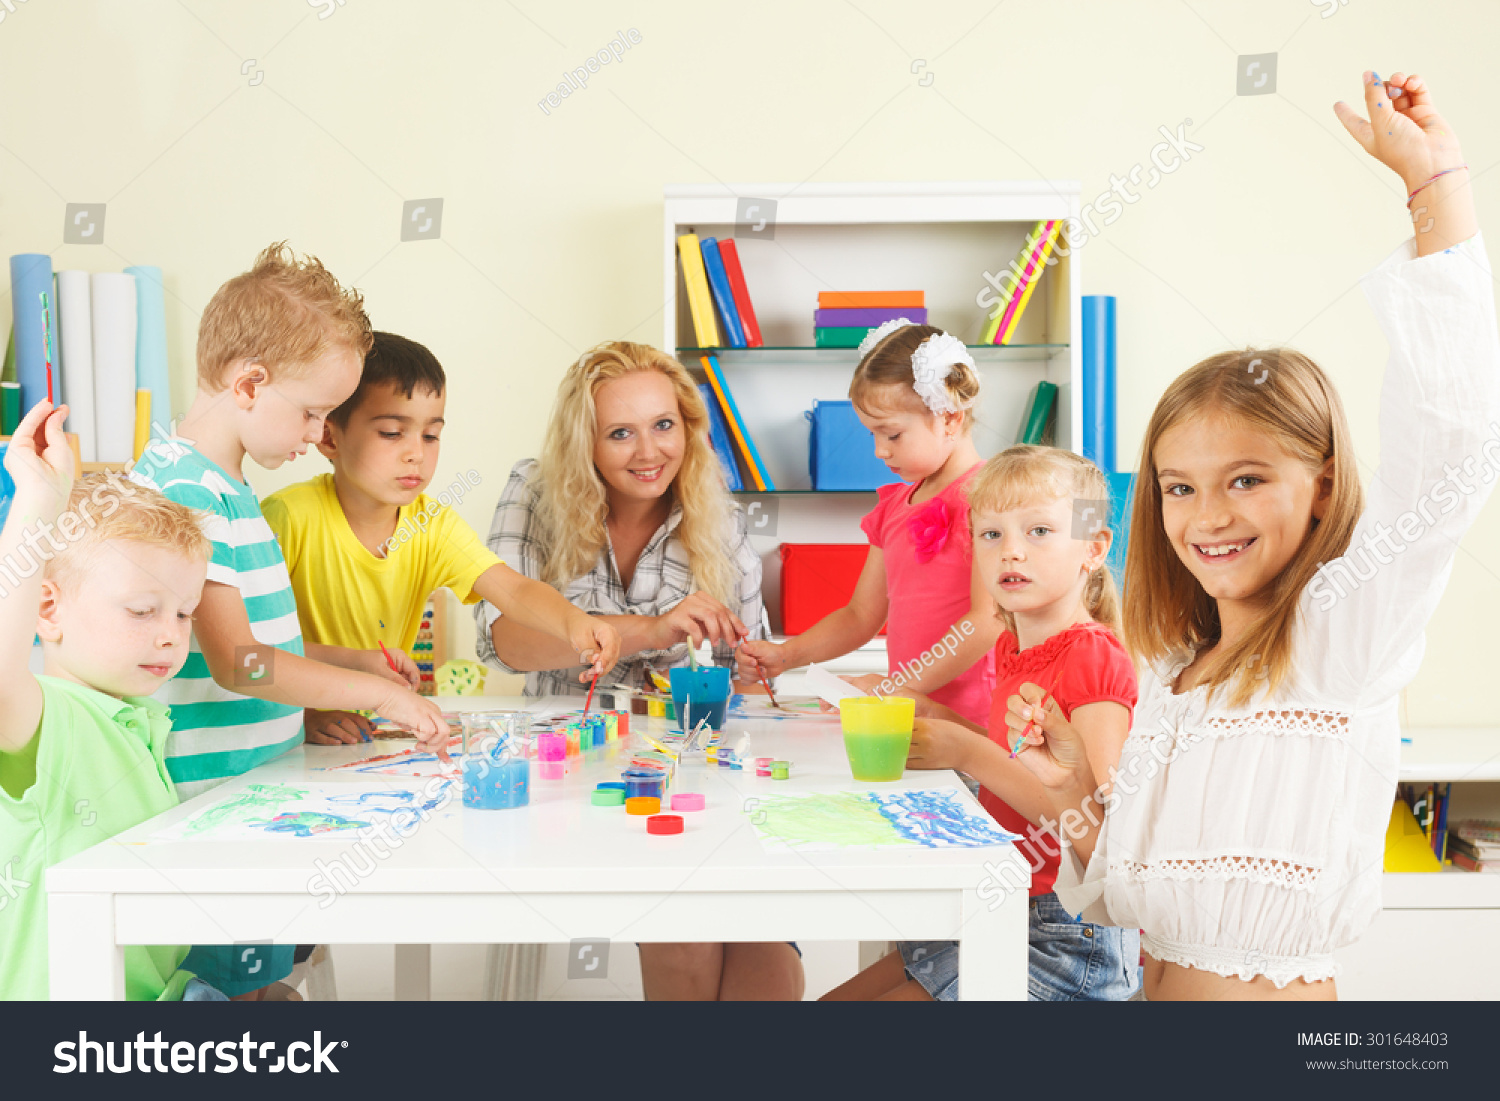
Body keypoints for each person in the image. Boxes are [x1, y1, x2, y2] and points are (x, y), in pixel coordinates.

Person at [1011, 71, 1495, 1000]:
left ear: (1320, 486)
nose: (1207, 516)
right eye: (1179, 487)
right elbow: (1131, 887)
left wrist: (1437, 190)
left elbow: (1451, 447)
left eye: (1246, 479)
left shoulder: (1336, 642)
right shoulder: (1176, 671)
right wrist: (1068, 780)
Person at [130, 242, 447, 1000]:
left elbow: (256, 648)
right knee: (221, 1000)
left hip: (245, 797)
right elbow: (240, 660)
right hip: (202, 809)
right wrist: (378, 697)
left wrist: (355, 666)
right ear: (248, 383)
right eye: (311, 412)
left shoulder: (223, 486)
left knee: (266, 991)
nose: (316, 435)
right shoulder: (186, 491)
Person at [475, 340, 802, 1000]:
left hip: (694, 763)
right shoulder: (535, 491)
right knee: (687, 935)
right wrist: (650, 632)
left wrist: (755, 660)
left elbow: (745, 662)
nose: (649, 451)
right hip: (573, 772)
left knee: (768, 953)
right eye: (619, 432)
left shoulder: (709, 502)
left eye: (663, 425)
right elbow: (505, 642)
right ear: (584, 443)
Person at [823, 446, 1138, 1000]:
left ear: (1094, 548)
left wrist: (967, 753)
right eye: (991, 535)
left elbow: (1100, 831)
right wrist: (944, 719)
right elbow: (1025, 765)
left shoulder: (1091, 656)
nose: (1011, 551)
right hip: (1003, 904)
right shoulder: (1017, 649)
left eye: (1038, 530)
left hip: (1068, 935)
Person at [263, 330, 618, 744]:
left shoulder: (433, 524)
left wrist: (576, 623)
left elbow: (514, 590)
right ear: (329, 436)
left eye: (430, 435)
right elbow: (249, 656)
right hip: (281, 734)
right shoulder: (287, 517)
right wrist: (305, 715)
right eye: (392, 433)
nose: (417, 452)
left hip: (367, 737)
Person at [0, 402, 218, 999]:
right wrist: (39, 503)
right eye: (143, 610)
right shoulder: (50, 719)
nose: (171, 633)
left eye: (183, 613)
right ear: (48, 608)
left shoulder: (137, 721)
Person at [737, 322, 997, 727]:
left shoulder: (991, 501)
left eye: (892, 434)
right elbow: (861, 615)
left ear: (949, 417)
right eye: (872, 434)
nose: (879, 450)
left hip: (971, 726)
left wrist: (896, 686)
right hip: (905, 718)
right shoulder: (894, 506)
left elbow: (986, 622)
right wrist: (785, 656)